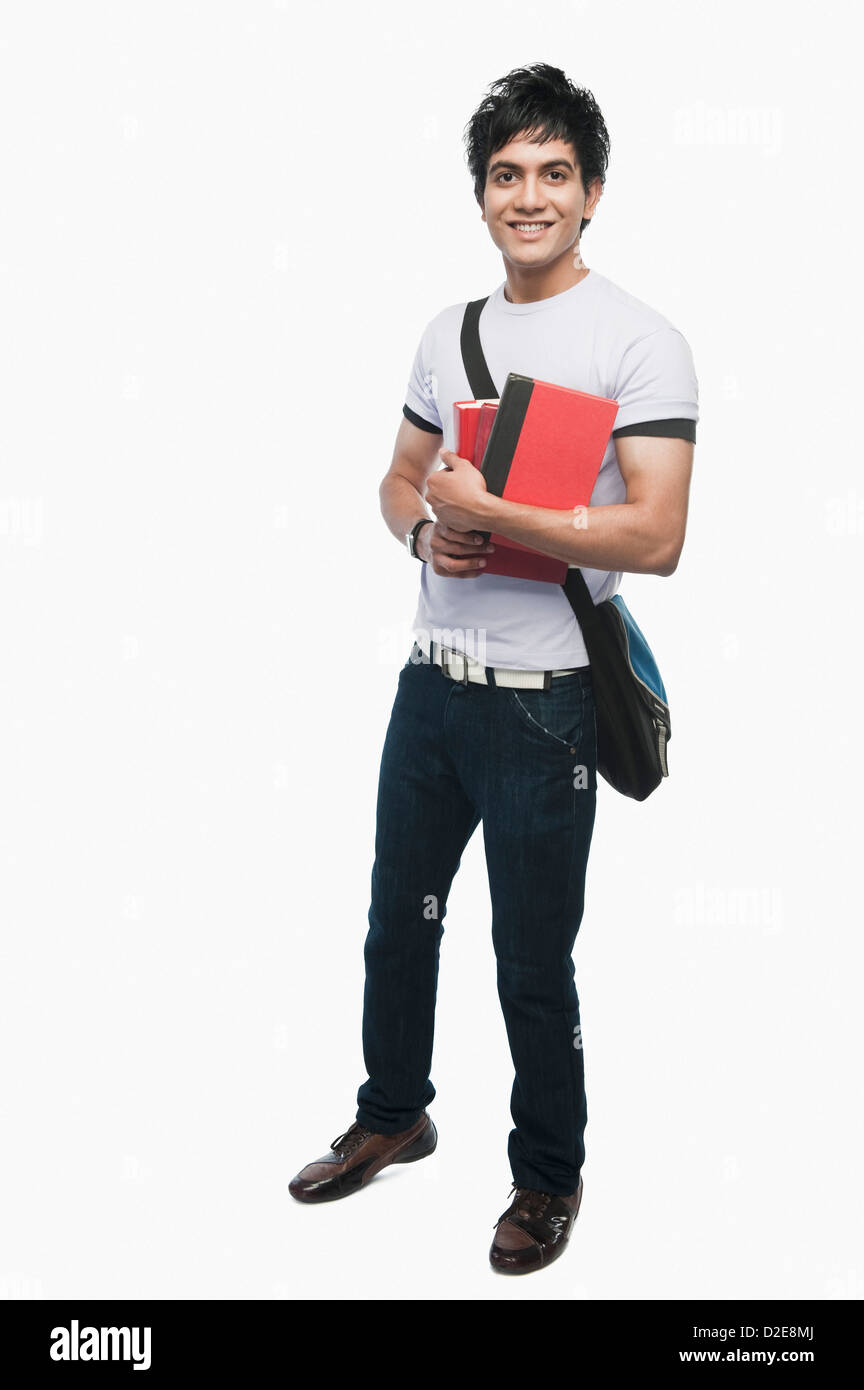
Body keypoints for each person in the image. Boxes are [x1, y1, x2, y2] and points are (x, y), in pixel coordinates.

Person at [289, 62, 699, 1276]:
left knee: (531, 959)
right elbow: (397, 479)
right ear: (481, 196)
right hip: (433, 685)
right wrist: (427, 528)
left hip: (548, 710)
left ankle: (547, 1177)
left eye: (553, 174)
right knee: (395, 924)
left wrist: (507, 516)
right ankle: (392, 1112)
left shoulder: (640, 339)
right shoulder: (445, 330)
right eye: (507, 175)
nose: (530, 196)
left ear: (593, 192)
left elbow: (660, 537)